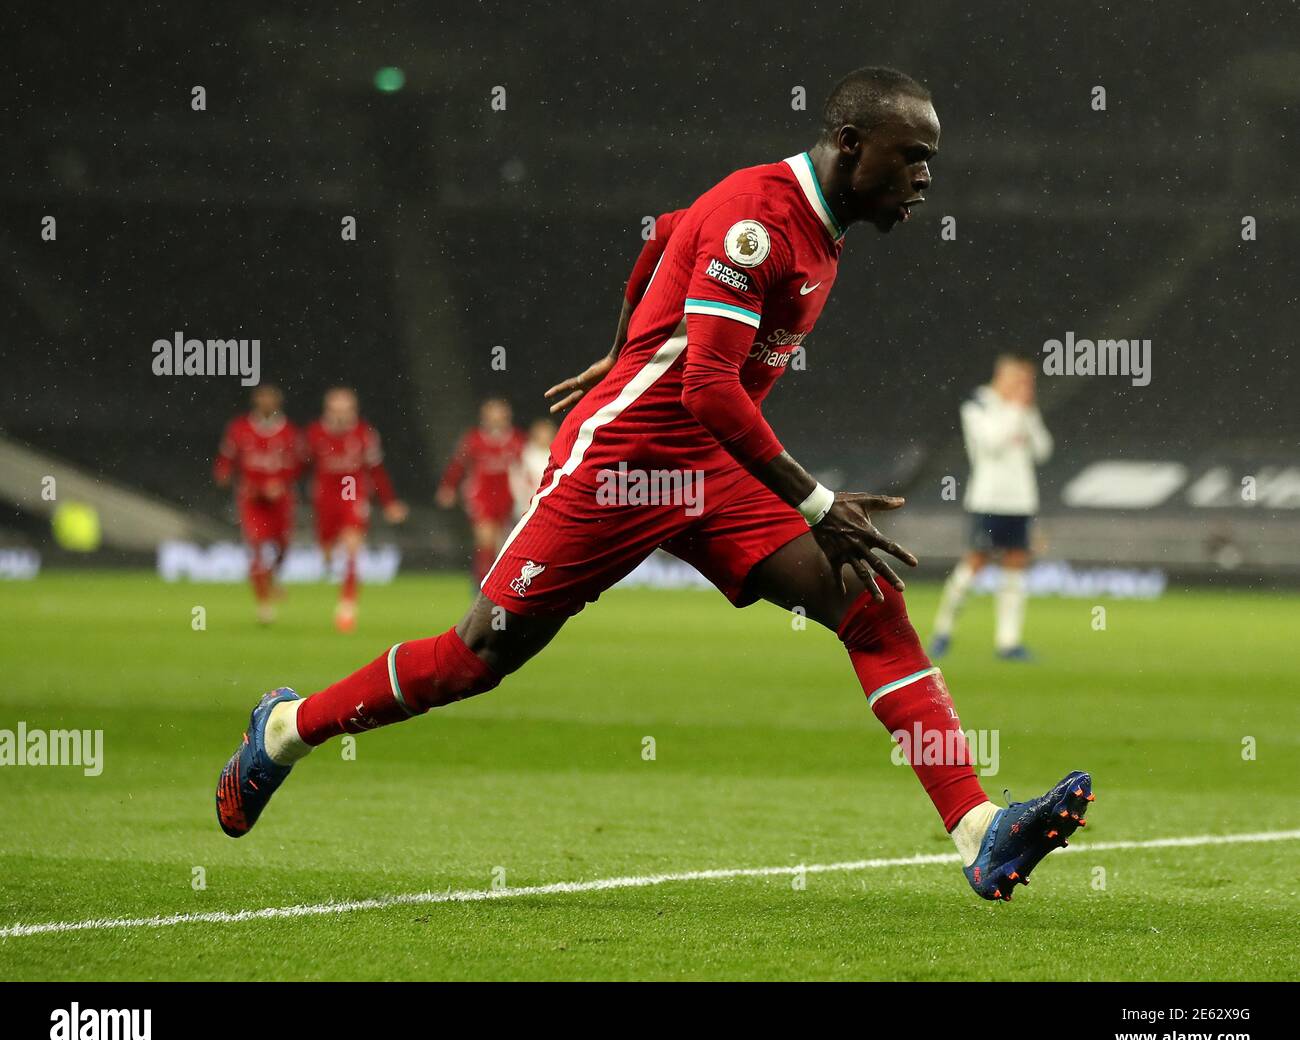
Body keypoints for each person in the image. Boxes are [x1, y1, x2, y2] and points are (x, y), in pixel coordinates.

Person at [217, 67, 1093, 902]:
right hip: (621, 461)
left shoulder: (813, 228)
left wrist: (626, 337)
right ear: (852, 142)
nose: (926, 178)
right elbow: (706, 385)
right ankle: (286, 731)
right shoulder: (761, 220)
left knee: (867, 598)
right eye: (914, 156)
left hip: (710, 468)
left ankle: (977, 827)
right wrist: (813, 500)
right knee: (477, 655)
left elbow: (667, 231)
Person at [931, 354, 1053, 660]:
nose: (1024, 386)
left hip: (1021, 500)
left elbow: (1042, 450)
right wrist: (1015, 409)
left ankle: (1008, 642)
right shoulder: (978, 404)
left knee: (1015, 568)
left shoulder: (1022, 409)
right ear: (1002, 376)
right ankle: (943, 630)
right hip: (988, 499)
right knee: (975, 563)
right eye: (1019, 379)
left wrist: (1027, 413)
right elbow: (992, 444)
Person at [303, 387, 408, 632]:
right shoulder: (315, 434)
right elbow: (301, 464)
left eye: (345, 410)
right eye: (336, 410)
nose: (341, 415)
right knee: (327, 550)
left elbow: (376, 471)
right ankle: (330, 565)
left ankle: (347, 606)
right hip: (325, 499)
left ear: (354, 410)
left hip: (353, 496)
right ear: (327, 411)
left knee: (352, 548)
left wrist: (389, 502)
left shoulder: (364, 434)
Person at [213, 384, 300, 624]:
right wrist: (222, 471)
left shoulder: (288, 432)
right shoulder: (240, 429)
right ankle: (264, 605)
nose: (266, 403)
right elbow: (227, 456)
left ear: (277, 403)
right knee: (257, 546)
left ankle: (271, 577)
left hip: (280, 500)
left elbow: (297, 465)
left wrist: (281, 482)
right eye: (262, 399)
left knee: (283, 546)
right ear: (255, 401)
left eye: (270, 399)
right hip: (252, 499)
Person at [436, 398, 527, 585]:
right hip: (481, 495)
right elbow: (457, 465)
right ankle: (481, 586)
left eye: (499, 415)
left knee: (503, 544)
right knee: (485, 540)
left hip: (507, 496)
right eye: (491, 415)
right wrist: (448, 487)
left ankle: (499, 584)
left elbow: (526, 467)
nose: (496, 420)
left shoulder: (517, 440)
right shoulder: (473, 439)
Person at [511, 417, 557, 520]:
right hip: (528, 504)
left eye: (547, 433)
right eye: (541, 433)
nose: (544, 436)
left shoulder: (558, 455)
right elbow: (516, 479)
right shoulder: (525, 454)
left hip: (552, 504)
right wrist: (522, 499)